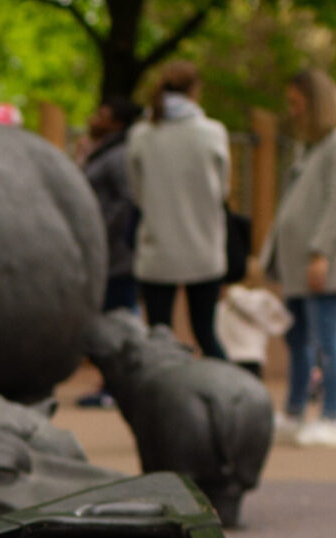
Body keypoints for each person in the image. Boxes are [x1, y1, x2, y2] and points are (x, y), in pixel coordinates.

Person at [264, 67, 336, 449]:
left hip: (324, 262)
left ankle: (330, 418)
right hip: (299, 262)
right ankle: (294, 412)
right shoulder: (311, 145)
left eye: (298, 104)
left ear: (317, 103)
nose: (292, 111)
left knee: (328, 340)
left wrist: (320, 252)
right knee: (297, 340)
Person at [126, 61, 231, 361]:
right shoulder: (213, 133)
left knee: (160, 339)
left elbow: (136, 192)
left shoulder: (142, 134)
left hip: (157, 248)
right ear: (195, 90)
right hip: (204, 248)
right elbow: (222, 191)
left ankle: (162, 404)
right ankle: (228, 398)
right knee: (206, 334)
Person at [77, 96, 142, 408]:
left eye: (102, 112)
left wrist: (99, 232)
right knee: (113, 315)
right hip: (107, 252)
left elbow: (125, 201)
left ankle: (120, 385)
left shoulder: (118, 156)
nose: (94, 118)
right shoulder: (105, 151)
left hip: (116, 254)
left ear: (118, 122)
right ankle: (113, 384)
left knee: (120, 317)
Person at [218, 273, 292, 381]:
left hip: (227, 357)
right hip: (253, 358)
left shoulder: (223, 304)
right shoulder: (264, 300)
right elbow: (283, 322)